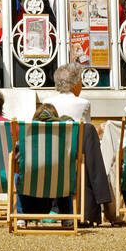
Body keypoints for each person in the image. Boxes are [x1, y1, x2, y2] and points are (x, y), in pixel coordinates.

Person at [42, 63, 112, 221]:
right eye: (80, 82)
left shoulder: (46, 101)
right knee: (90, 137)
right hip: (73, 153)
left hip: (49, 154)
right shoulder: (83, 103)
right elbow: (85, 131)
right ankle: (101, 200)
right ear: (74, 84)